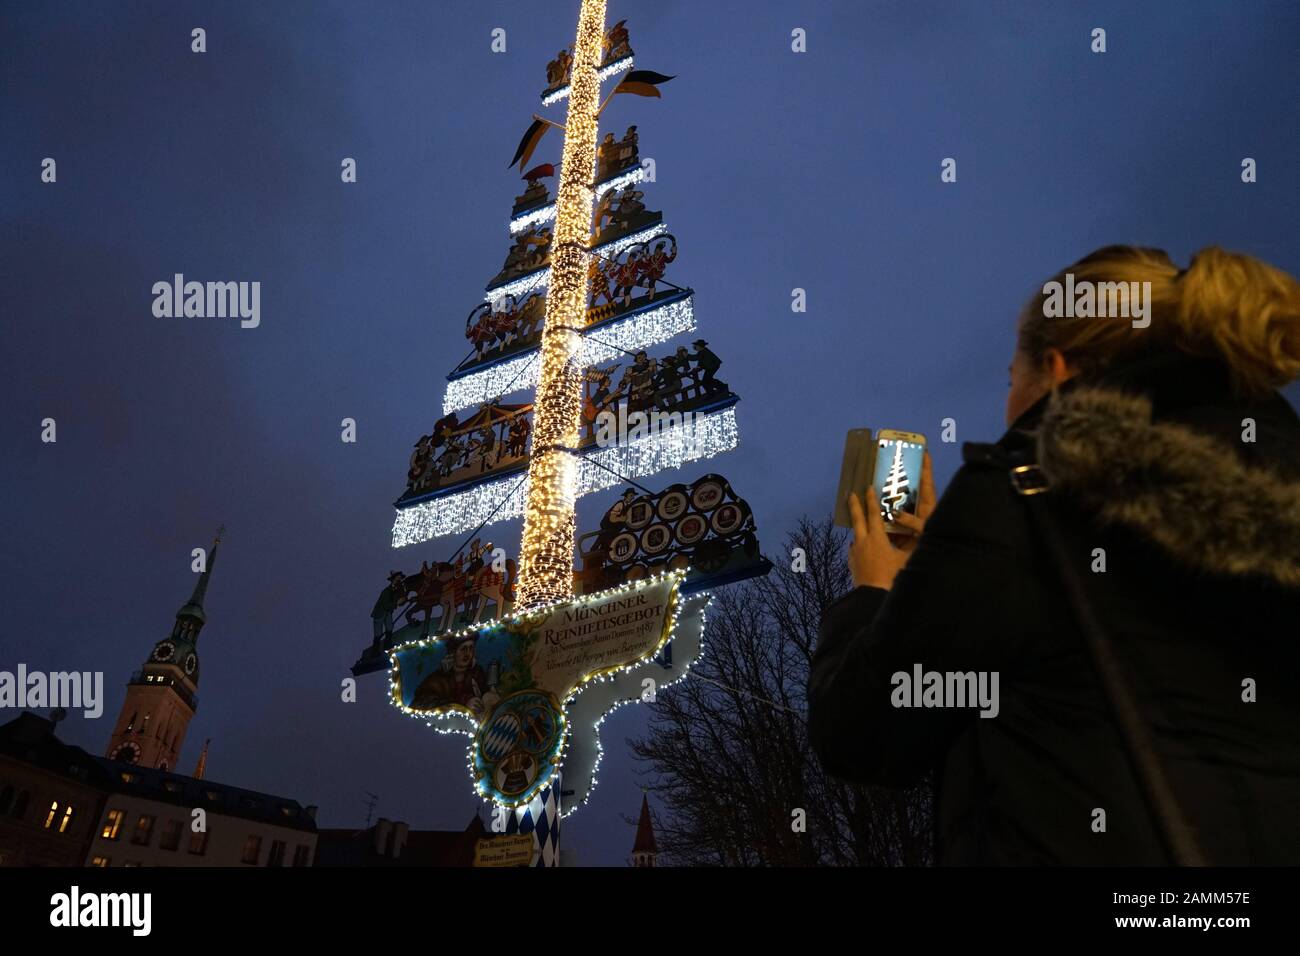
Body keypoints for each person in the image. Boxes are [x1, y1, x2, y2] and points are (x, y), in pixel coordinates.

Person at [808, 245, 1300, 865]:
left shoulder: (1026, 498)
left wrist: (875, 594)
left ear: (1059, 371)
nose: (1009, 402)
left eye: (1014, 381)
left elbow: (861, 732)